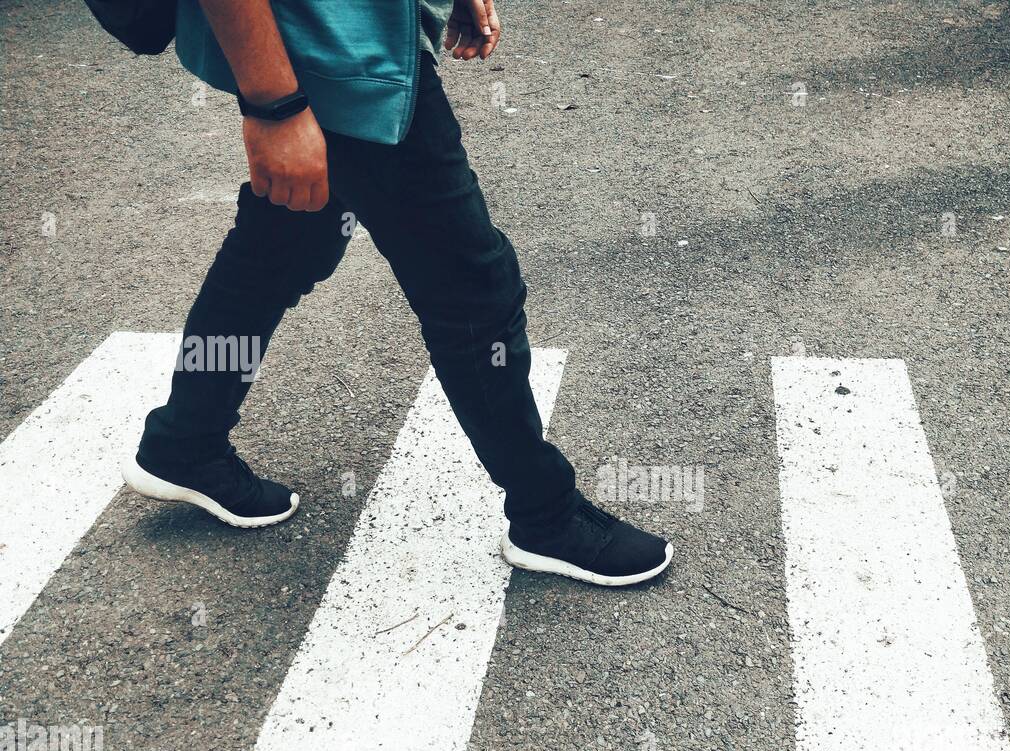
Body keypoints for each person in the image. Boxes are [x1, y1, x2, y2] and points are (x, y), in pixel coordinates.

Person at [122, 0, 673, 587]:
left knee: (286, 239)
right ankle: (547, 515)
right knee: (471, 285)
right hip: (334, 55)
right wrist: (274, 108)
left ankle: (186, 439)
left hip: (345, 45)